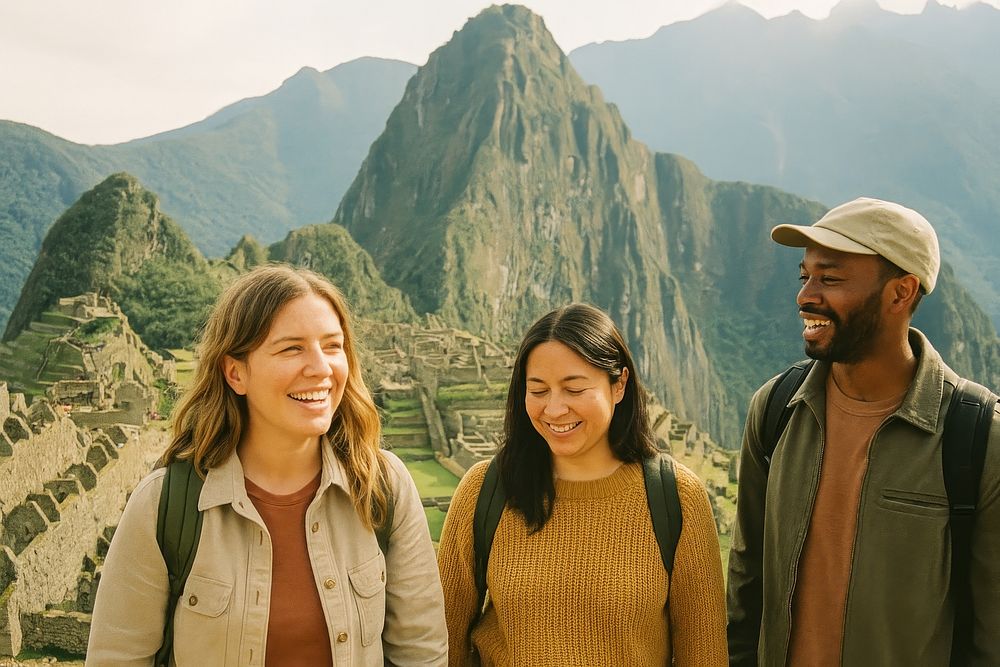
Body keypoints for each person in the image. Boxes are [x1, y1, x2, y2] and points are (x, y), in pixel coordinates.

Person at [87, 265, 447, 666]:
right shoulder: (164, 505)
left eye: (333, 346)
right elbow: (117, 658)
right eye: (292, 349)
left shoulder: (382, 487)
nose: (321, 368)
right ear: (235, 372)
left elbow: (421, 653)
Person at [727, 197, 1000, 665]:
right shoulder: (777, 410)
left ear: (900, 293)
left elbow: (992, 634)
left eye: (830, 279)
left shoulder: (976, 439)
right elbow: (746, 585)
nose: (806, 296)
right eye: (804, 276)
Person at [437, 303, 727, 666]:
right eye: (538, 390)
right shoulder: (485, 490)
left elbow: (704, 653)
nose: (554, 409)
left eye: (574, 389)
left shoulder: (676, 497)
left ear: (619, 385)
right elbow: (441, 641)